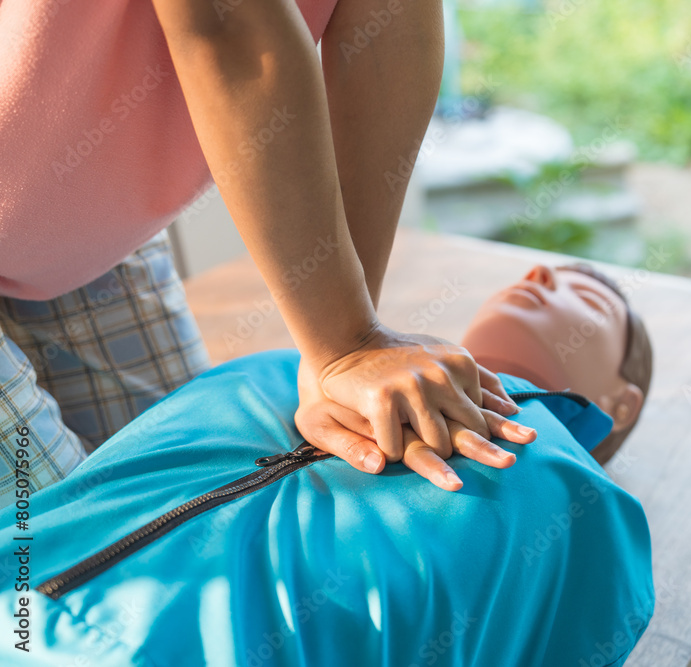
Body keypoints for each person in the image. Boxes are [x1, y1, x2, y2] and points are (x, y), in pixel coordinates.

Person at [0, 0, 528, 508]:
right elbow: (231, 26)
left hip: (91, 228)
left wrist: (348, 342)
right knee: (54, 567)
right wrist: (346, 342)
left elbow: (390, 24)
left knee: (195, 506)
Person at [0, 262, 655, 666]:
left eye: (589, 298)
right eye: (536, 270)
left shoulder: (583, 510)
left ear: (620, 406)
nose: (537, 275)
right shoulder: (299, 365)